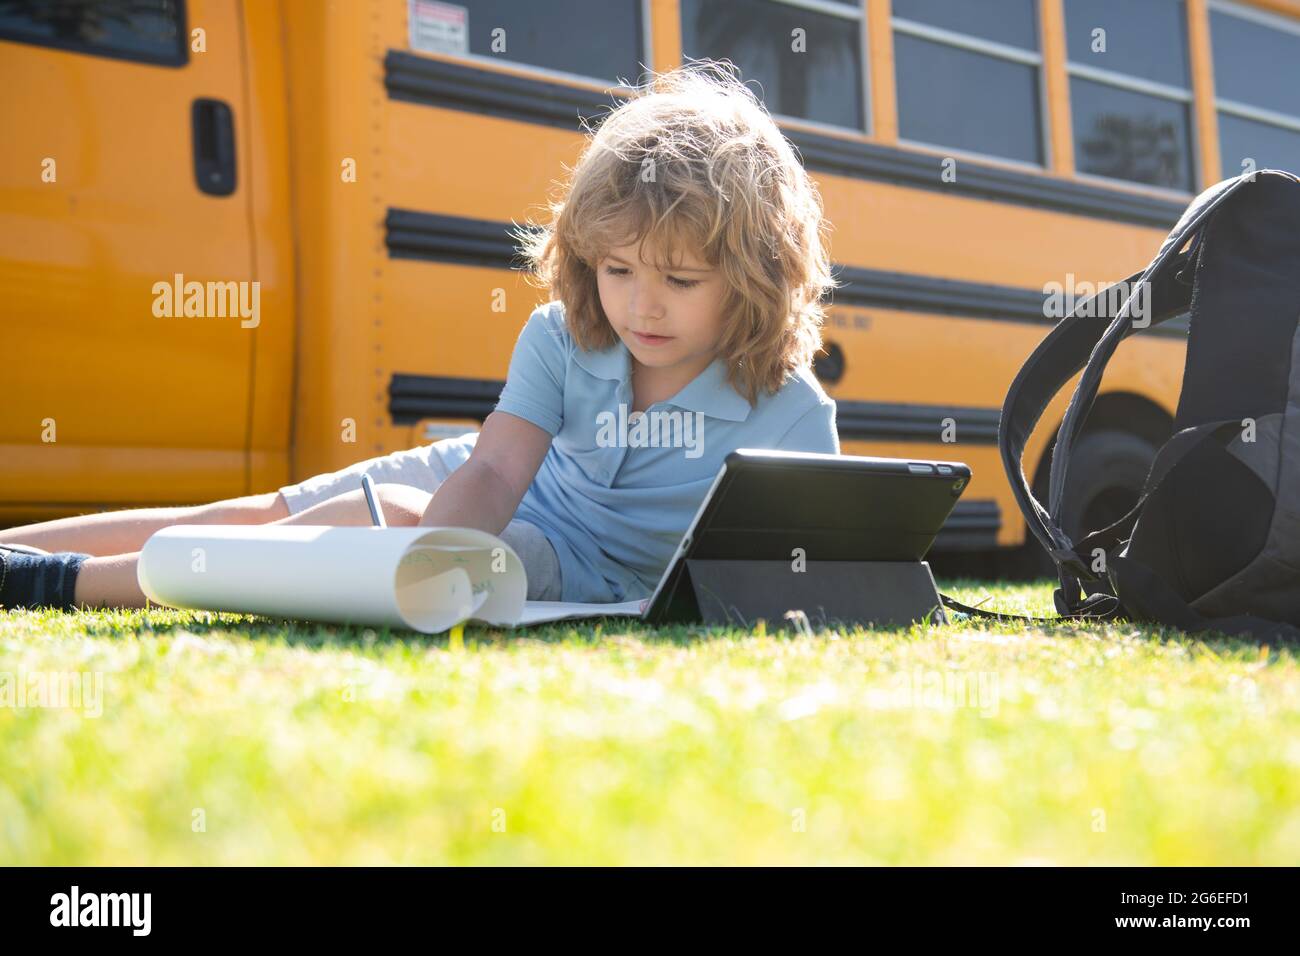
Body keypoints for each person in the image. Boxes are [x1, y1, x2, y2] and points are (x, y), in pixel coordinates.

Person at [0, 60, 839, 612]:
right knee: (259, 512)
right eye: (617, 270)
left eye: (680, 282)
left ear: (757, 277)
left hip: (563, 557)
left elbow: (815, 565)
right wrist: (444, 540)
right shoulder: (563, 334)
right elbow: (497, 467)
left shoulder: (791, 409)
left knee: (382, 525)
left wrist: (431, 550)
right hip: (488, 481)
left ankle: (62, 586)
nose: (641, 308)